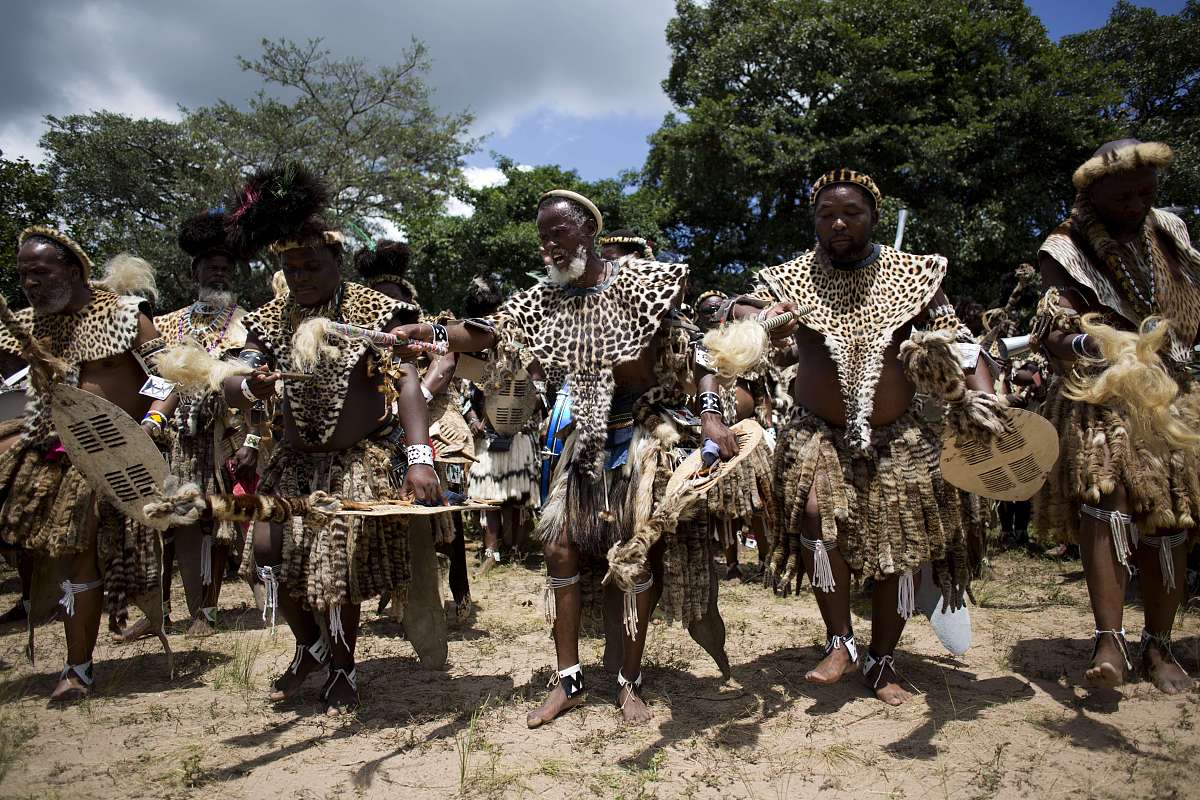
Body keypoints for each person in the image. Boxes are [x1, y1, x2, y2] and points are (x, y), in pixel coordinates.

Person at [397, 189, 740, 726]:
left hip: (646, 437)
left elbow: (698, 351)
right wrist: (429, 332)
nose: (548, 247)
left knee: (634, 555)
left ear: (588, 232)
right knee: (559, 551)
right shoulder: (544, 301)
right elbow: (487, 334)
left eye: (557, 233)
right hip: (586, 437)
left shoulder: (645, 285)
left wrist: (713, 414)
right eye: (542, 238)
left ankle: (629, 682)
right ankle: (570, 682)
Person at [731, 169, 1001, 705]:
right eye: (826, 215)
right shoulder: (791, 279)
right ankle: (840, 642)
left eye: (850, 214)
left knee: (902, 547)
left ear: (873, 218)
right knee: (814, 514)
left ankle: (882, 659)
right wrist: (764, 319)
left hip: (896, 435)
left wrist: (986, 401)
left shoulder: (913, 277)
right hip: (817, 433)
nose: (837, 223)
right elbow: (736, 310)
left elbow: (963, 346)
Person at [221, 165, 441, 714]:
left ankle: (343, 668)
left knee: (333, 569)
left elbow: (410, 381)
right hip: (292, 462)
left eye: (311, 265)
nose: (300, 276)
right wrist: (250, 383)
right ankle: (311, 647)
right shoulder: (270, 319)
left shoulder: (372, 312)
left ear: (337, 263)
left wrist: (419, 457)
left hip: (354, 461)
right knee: (268, 556)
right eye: (290, 267)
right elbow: (231, 375)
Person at [1030, 139, 1199, 694]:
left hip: (1173, 396)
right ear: (1092, 192)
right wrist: (1092, 343)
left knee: (1171, 521)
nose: (1135, 204)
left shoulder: (1170, 233)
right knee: (1109, 502)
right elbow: (1052, 328)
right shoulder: (1065, 247)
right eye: (1123, 195)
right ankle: (1110, 638)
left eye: (1145, 193)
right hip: (1100, 398)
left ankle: (1159, 643)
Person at [0, 227, 176, 700]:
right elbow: (9, 389)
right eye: (23, 276)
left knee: (79, 553)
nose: (30, 284)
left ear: (72, 270)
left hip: (109, 456)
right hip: (41, 455)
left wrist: (154, 422)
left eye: (40, 273)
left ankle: (78, 668)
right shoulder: (23, 326)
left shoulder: (124, 316)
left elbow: (170, 377)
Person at [117, 208, 251, 641]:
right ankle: (156, 611)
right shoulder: (169, 323)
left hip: (215, 436)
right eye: (210, 266)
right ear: (194, 271)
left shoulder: (245, 325)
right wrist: (152, 417)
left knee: (204, 522)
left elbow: (246, 385)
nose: (218, 274)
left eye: (225, 268)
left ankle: (203, 611)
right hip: (164, 435)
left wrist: (249, 438)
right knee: (157, 522)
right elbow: (154, 376)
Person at [461, 275, 540, 574]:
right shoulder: (468, 335)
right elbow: (461, 383)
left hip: (518, 427)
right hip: (485, 427)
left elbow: (535, 373)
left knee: (517, 493)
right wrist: (470, 418)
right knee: (486, 490)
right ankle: (492, 552)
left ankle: (518, 548)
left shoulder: (515, 334)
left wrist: (528, 409)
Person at [694, 289, 774, 581]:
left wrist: (764, 420)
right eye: (707, 311)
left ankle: (766, 560)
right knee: (721, 507)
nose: (714, 315)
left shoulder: (745, 350)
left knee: (758, 502)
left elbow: (761, 391)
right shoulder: (697, 352)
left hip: (748, 436)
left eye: (718, 308)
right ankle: (731, 564)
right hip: (713, 438)